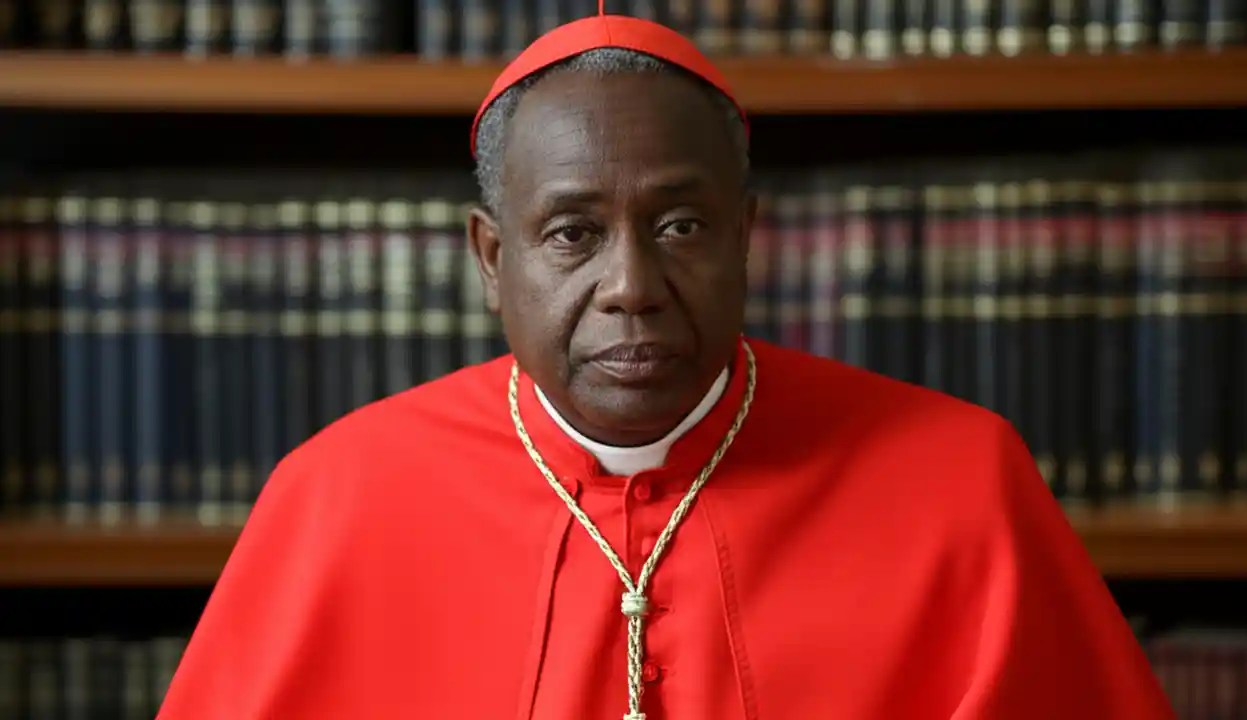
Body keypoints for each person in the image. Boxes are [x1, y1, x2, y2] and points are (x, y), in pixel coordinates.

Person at [157, 11, 1175, 720]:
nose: (630, 285)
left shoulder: (960, 480)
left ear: (745, 238)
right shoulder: (337, 497)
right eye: (570, 234)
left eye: (679, 224)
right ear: (489, 259)